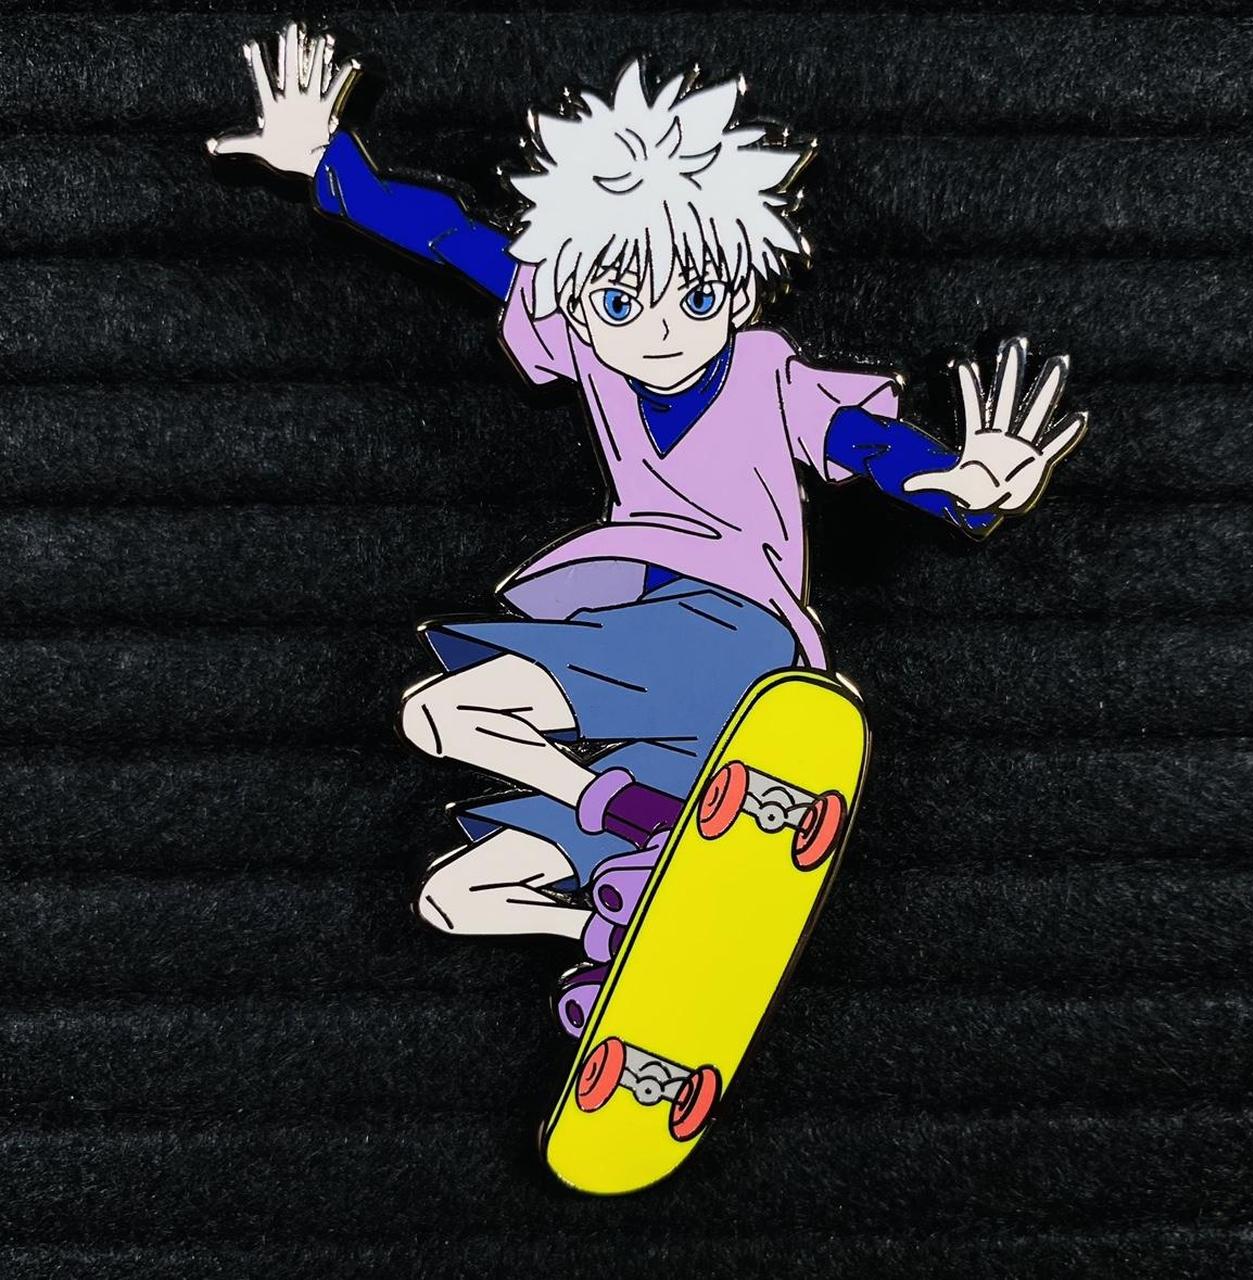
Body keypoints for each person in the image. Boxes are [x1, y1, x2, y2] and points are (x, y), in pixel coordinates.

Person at [209, 22, 1087, 969]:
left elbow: (862, 441)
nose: (661, 331)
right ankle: (617, 920)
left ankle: (630, 814)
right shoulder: (584, 343)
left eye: (697, 298)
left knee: (442, 714)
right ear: (577, 305)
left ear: (742, 294)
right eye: (622, 304)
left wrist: (958, 484)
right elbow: (453, 237)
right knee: (452, 898)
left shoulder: (771, 378)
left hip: (732, 632)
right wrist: (328, 163)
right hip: (646, 682)